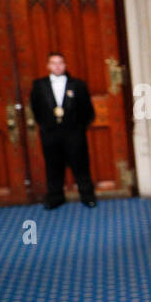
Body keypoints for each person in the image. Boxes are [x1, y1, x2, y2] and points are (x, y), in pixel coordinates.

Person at [30, 52, 95, 209]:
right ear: (48, 66)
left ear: (65, 65)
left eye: (60, 63)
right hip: (50, 134)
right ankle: (55, 197)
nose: (57, 66)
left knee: (81, 166)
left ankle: (87, 196)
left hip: (74, 133)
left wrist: (78, 128)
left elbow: (88, 111)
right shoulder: (39, 85)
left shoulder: (78, 85)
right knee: (53, 167)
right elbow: (36, 109)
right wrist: (46, 126)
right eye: (53, 63)